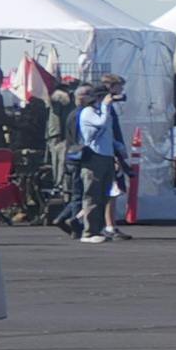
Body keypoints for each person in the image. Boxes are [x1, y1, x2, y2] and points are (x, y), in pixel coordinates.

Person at [67, 85, 123, 241]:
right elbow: (101, 123)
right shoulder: (88, 112)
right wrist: (106, 106)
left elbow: (108, 132)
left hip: (106, 155)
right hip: (93, 156)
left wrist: (118, 148)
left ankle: (98, 229)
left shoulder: (103, 111)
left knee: (104, 196)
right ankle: (89, 231)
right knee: (92, 195)